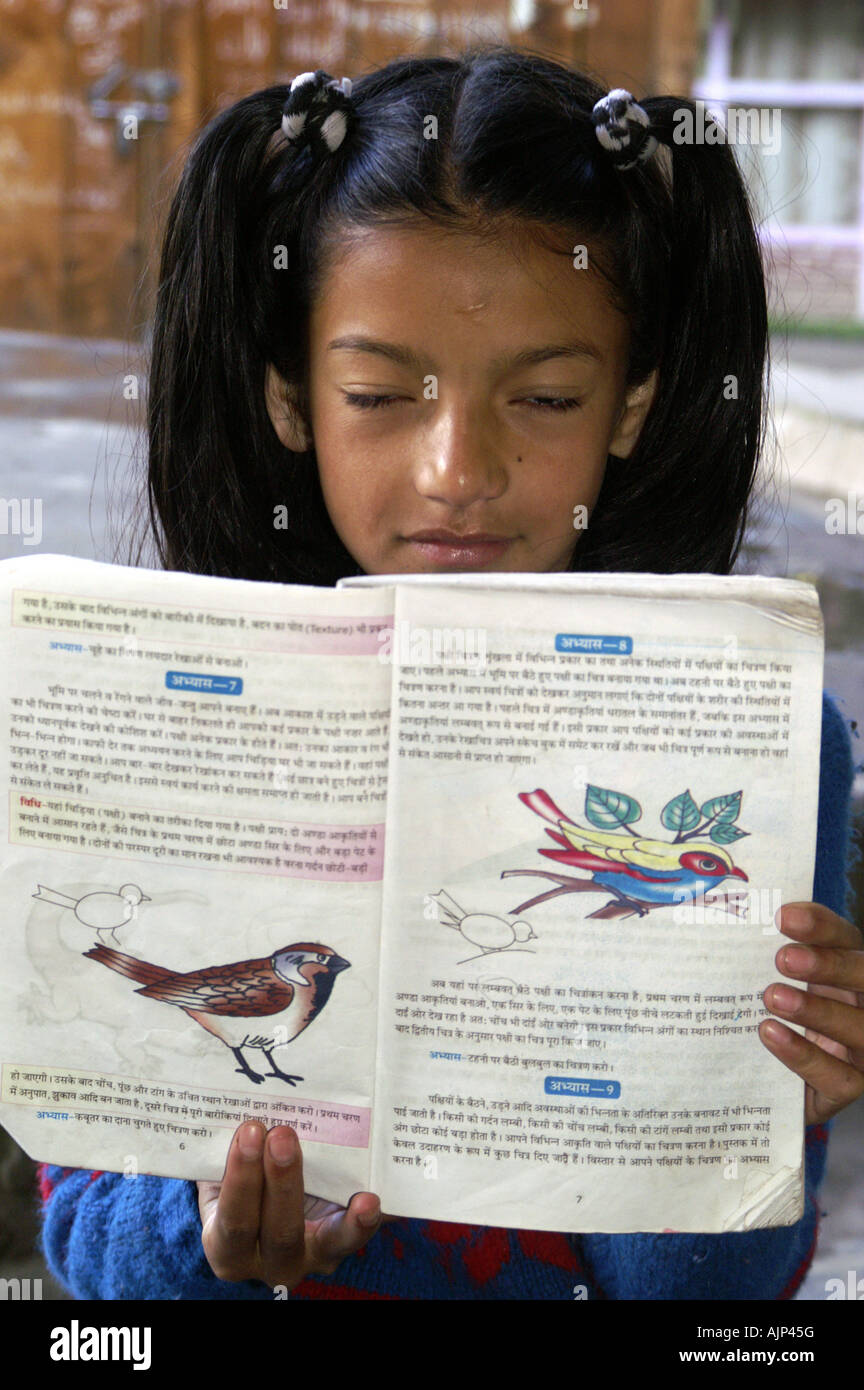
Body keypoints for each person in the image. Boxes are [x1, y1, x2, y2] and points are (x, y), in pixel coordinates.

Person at [37, 46, 863, 1300]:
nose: (456, 466)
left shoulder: (761, 745)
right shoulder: (150, 718)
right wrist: (198, 1245)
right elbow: (90, 1254)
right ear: (289, 396)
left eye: (542, 398)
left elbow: (695, 1301)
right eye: (379, 391)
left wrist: (758, 1097)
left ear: (630, 407)